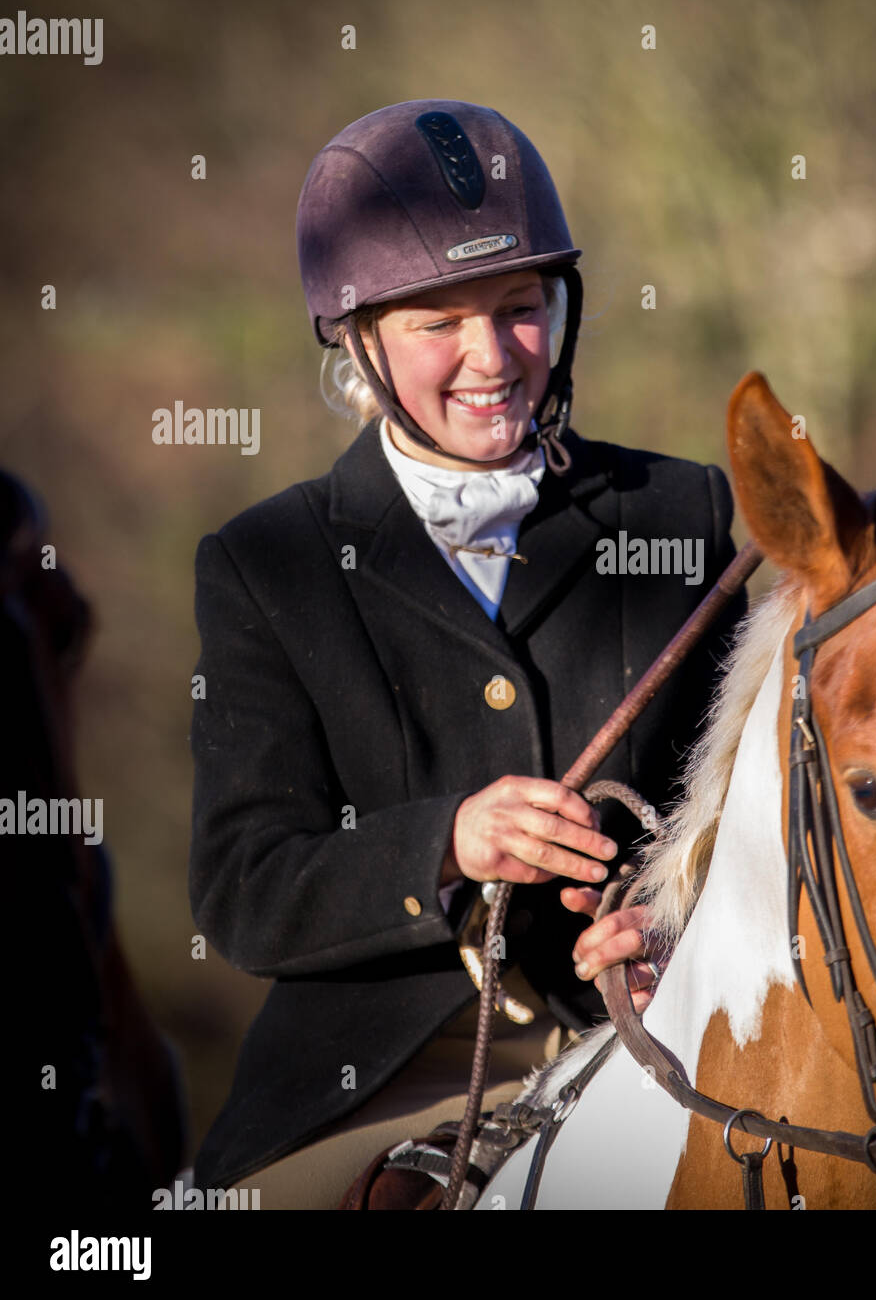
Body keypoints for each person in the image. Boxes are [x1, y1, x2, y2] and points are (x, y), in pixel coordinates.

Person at [188, 100, 747, 1207]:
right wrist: (445, 841)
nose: (489, 356)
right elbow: (244, 891)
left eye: (518, 307)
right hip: (387, 1075)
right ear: (357, 343)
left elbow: (738, 821)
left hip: (645, 1040)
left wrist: (670, 922)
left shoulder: (680, 510)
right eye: (436, 322)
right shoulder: (266, 564)